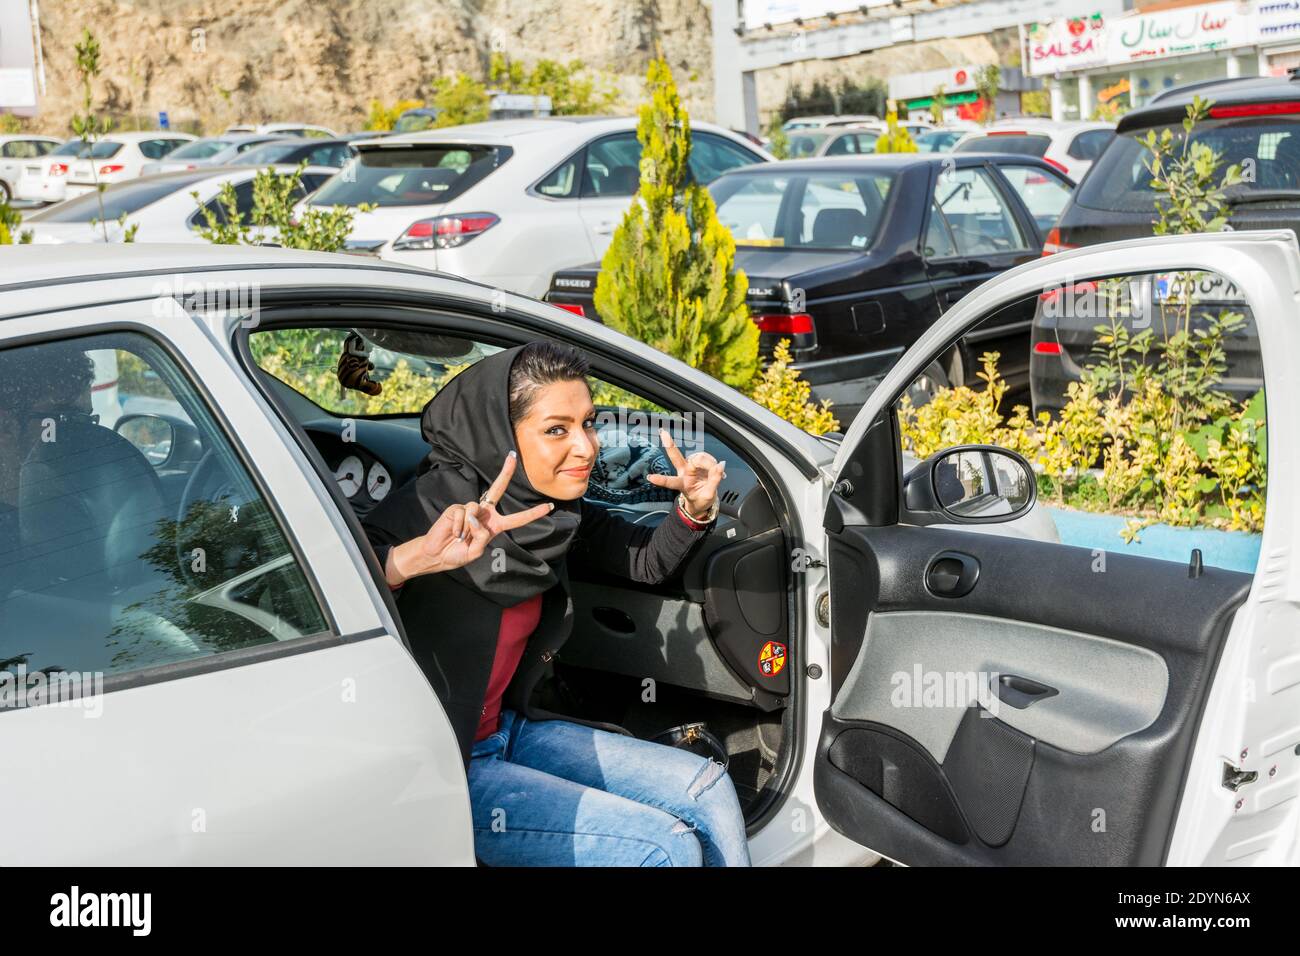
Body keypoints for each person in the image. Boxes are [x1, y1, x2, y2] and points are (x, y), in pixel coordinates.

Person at [362, 340, 751, 866]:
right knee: (665, 846)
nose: (587, 447)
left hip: (509, 729)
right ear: (500, 434)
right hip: (439, 766)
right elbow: (327, 601)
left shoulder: (552, 512)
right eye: (556, 430)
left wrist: (693, 509)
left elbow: (645, 562)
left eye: (588, 423)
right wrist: (408, 562)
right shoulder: (422, 512)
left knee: (705, 786)